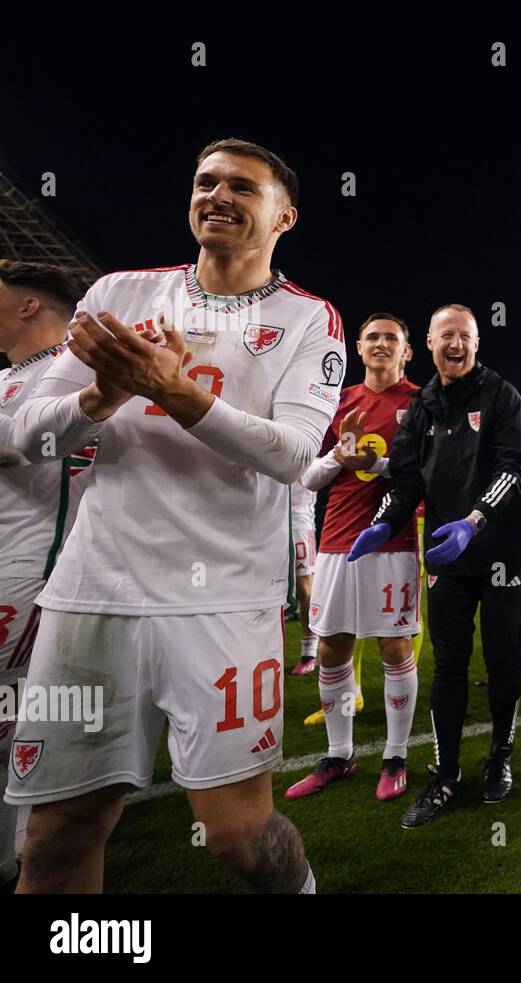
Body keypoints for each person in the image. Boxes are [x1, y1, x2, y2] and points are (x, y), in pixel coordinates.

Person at [4, 138, 344, 892]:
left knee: (236, 831)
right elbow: (22, 436)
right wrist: (105, 395)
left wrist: (175, 390)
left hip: (221, 597)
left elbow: (292, 456)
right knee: (57, 834)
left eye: (241, 187)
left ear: (284, 215)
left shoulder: (310, 319)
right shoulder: (118, 295)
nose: (217, 195)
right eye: (205, 181)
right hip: (95, 593)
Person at [349, 304, 521, 828]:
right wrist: (386, 522)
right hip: (446, 555)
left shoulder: (500, 394)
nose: (456, 344)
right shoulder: (424, 404)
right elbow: (407, 478)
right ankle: (446, 773)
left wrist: (474, 521)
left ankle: (500, 756)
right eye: (446, 335)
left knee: (503, 658)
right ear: (429, 343)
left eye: (466, 336)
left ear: (478, 343)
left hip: (502, 550)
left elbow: (514, 466)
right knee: (448, 663)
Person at [285, 314, 421, 801]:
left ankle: (396, 755)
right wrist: (339, 457)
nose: (382, 344)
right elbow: (308, 479)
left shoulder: (420, 404)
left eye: (392, 338)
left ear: (407, 351)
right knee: (331, 647)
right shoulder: (338, 402)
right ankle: (339, 756)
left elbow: (423, 474)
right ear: (359, 348)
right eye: (373, 338)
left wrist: (377, 464)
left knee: (394, 648)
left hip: (393, 542)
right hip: (337, 541)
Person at [0, 260, 93, 889]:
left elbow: (27, 445)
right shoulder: (12, 376)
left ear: (30, 304)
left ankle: (18, 861)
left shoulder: (74, 369)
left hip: (32, 569)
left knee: (19, 723)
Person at [288, 478, 321, 674]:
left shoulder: (311, 449)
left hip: (299, 520)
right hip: (269, 520)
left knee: (304, 586)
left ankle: (309, 652)